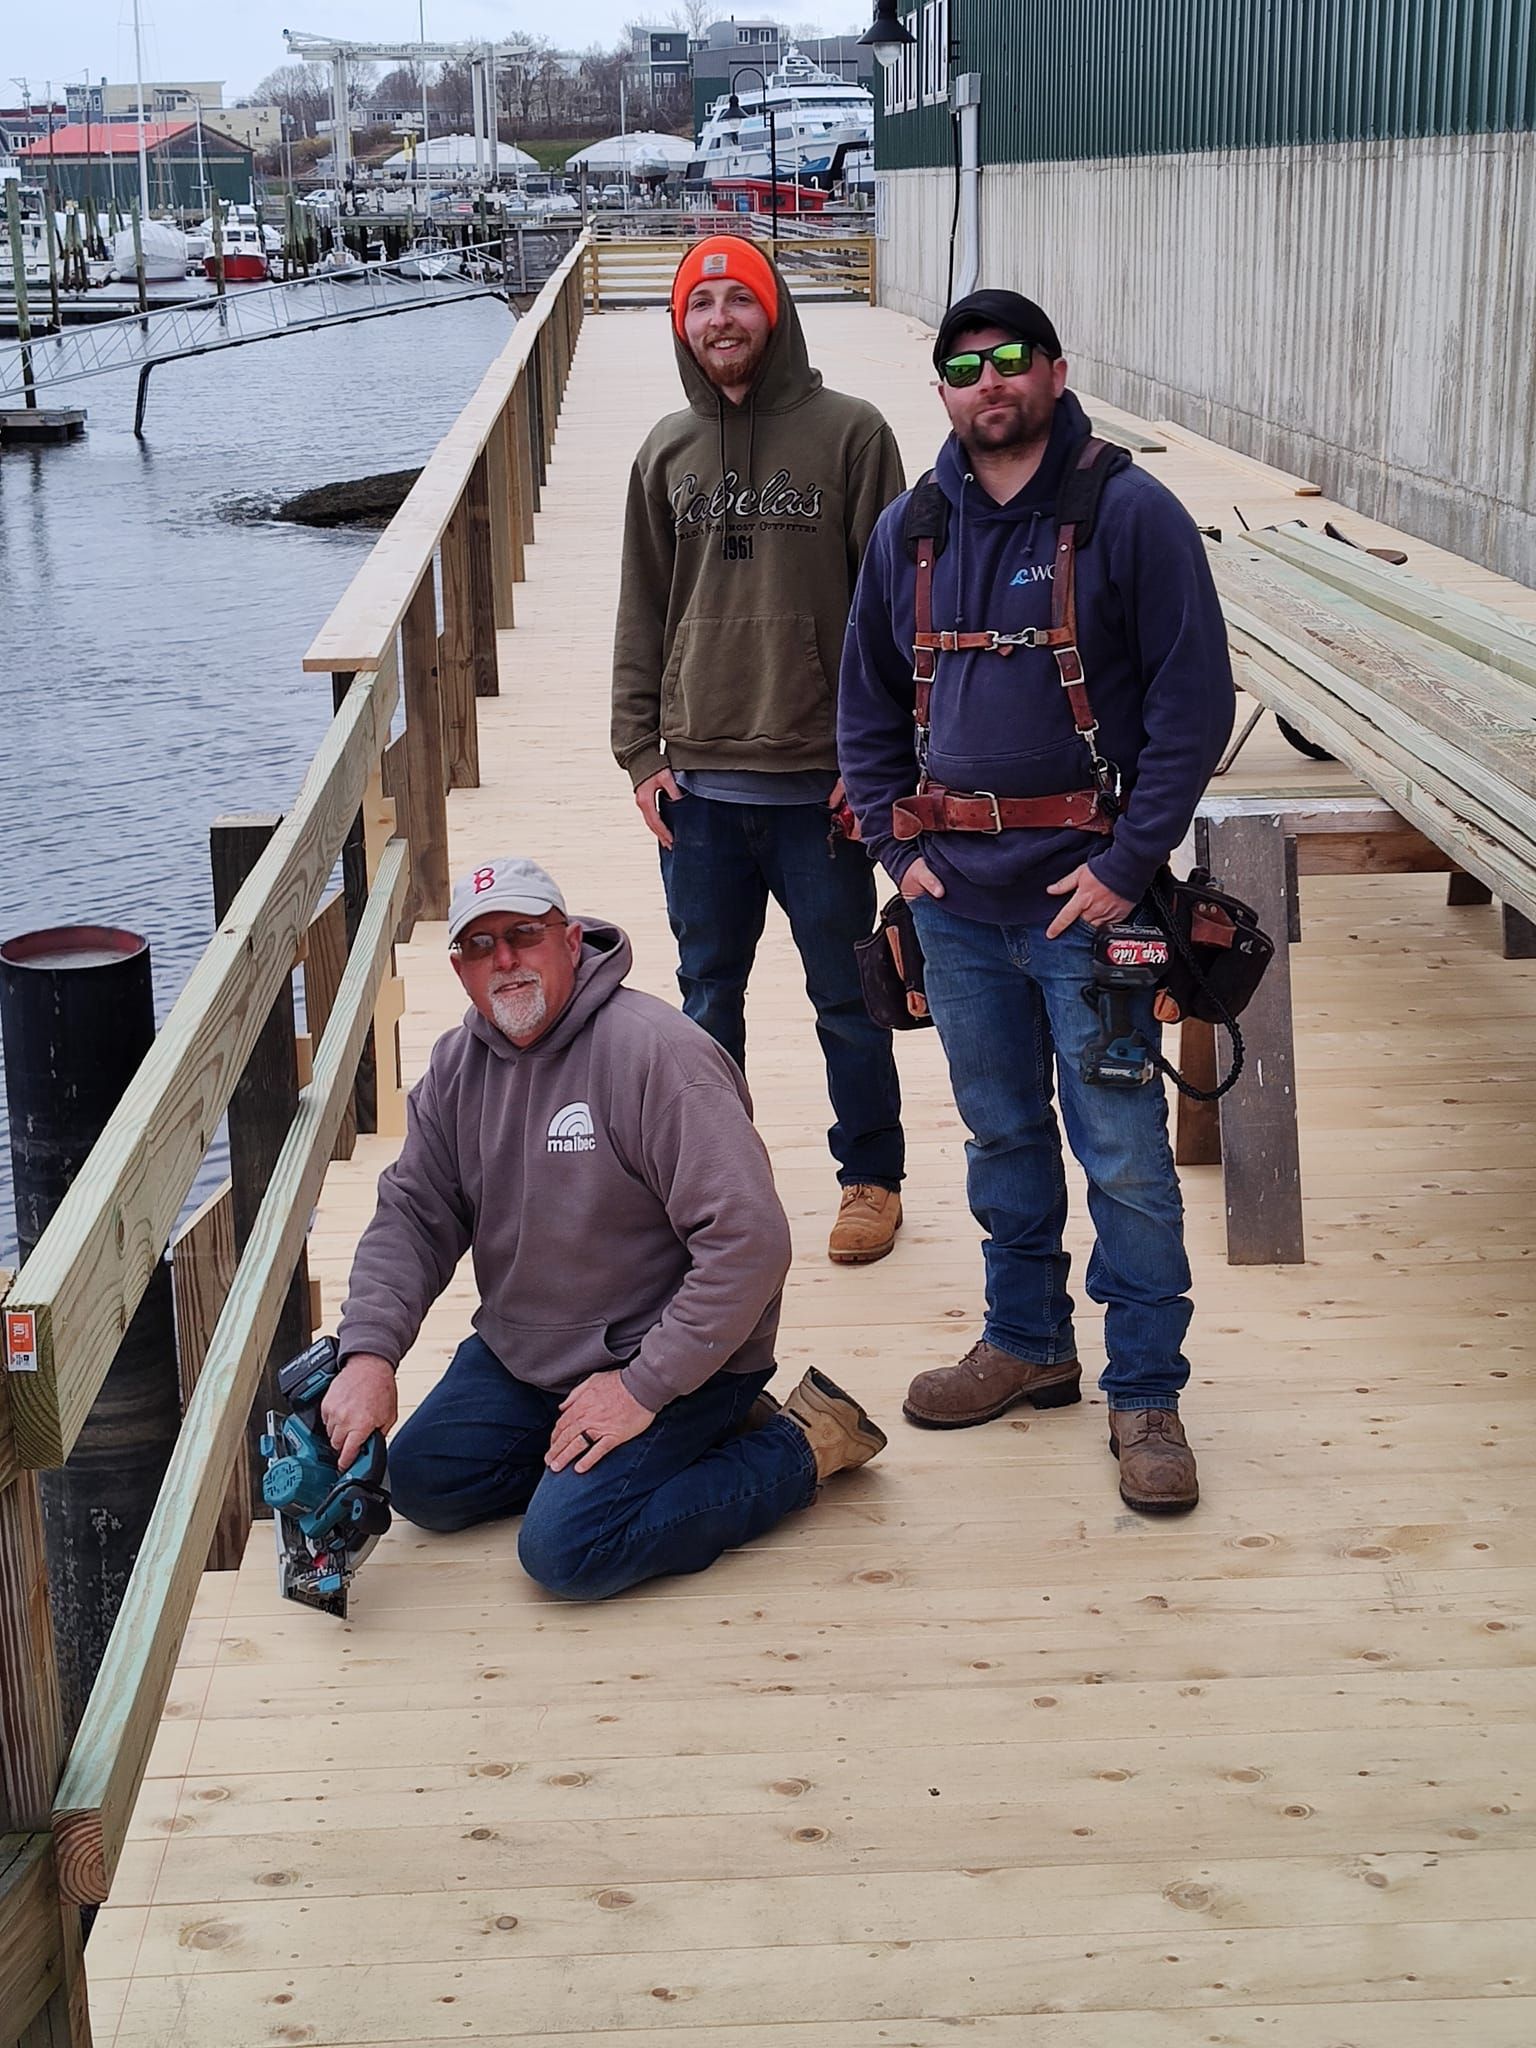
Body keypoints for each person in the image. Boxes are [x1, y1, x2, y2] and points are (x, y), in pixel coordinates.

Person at [837, 290, 1236, 1514]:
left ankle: (1148, 1390)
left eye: (1010, 360)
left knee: (1122, 1155)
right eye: (964, 367)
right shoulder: (912, 529)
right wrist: (898, 852)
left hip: (1090, 908)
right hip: (954, 904)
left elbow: (1192, 708)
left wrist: (1126, 866)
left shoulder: (1131, 514)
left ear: (1055, 372)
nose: (987, 382)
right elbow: (860, 704)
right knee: (1002, 1133)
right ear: (945, 390)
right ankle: (1028, 1342)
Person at [321, 855, 887, 1601]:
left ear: (571, 938)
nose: (506, 961)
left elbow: (751, 1241)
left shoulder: (658, 1056)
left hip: (664, 1356)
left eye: (523, 934)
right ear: (458, 968)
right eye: (479, 946)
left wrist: (645, 1388)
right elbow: (414, 1217)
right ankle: (672, 1449)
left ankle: (802, 1441)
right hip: (526, 1355)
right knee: (422, 1487)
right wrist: (369, 1352)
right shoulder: (457, 1068)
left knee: (566, 1550)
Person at [612, 234, 909, 1266]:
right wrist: (638, 752)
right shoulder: (664, 451)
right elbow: (641, 610)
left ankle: (871, 1176)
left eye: (741, 299)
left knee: (847, 992)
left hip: (821, 787)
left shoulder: (853, 435)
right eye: (704, 304)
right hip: (698, 786)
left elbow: (895, 617)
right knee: (704, 1000)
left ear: (773, 312)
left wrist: (875, 762)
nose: (723, 319)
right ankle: (714, 1188)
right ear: (682, 325)